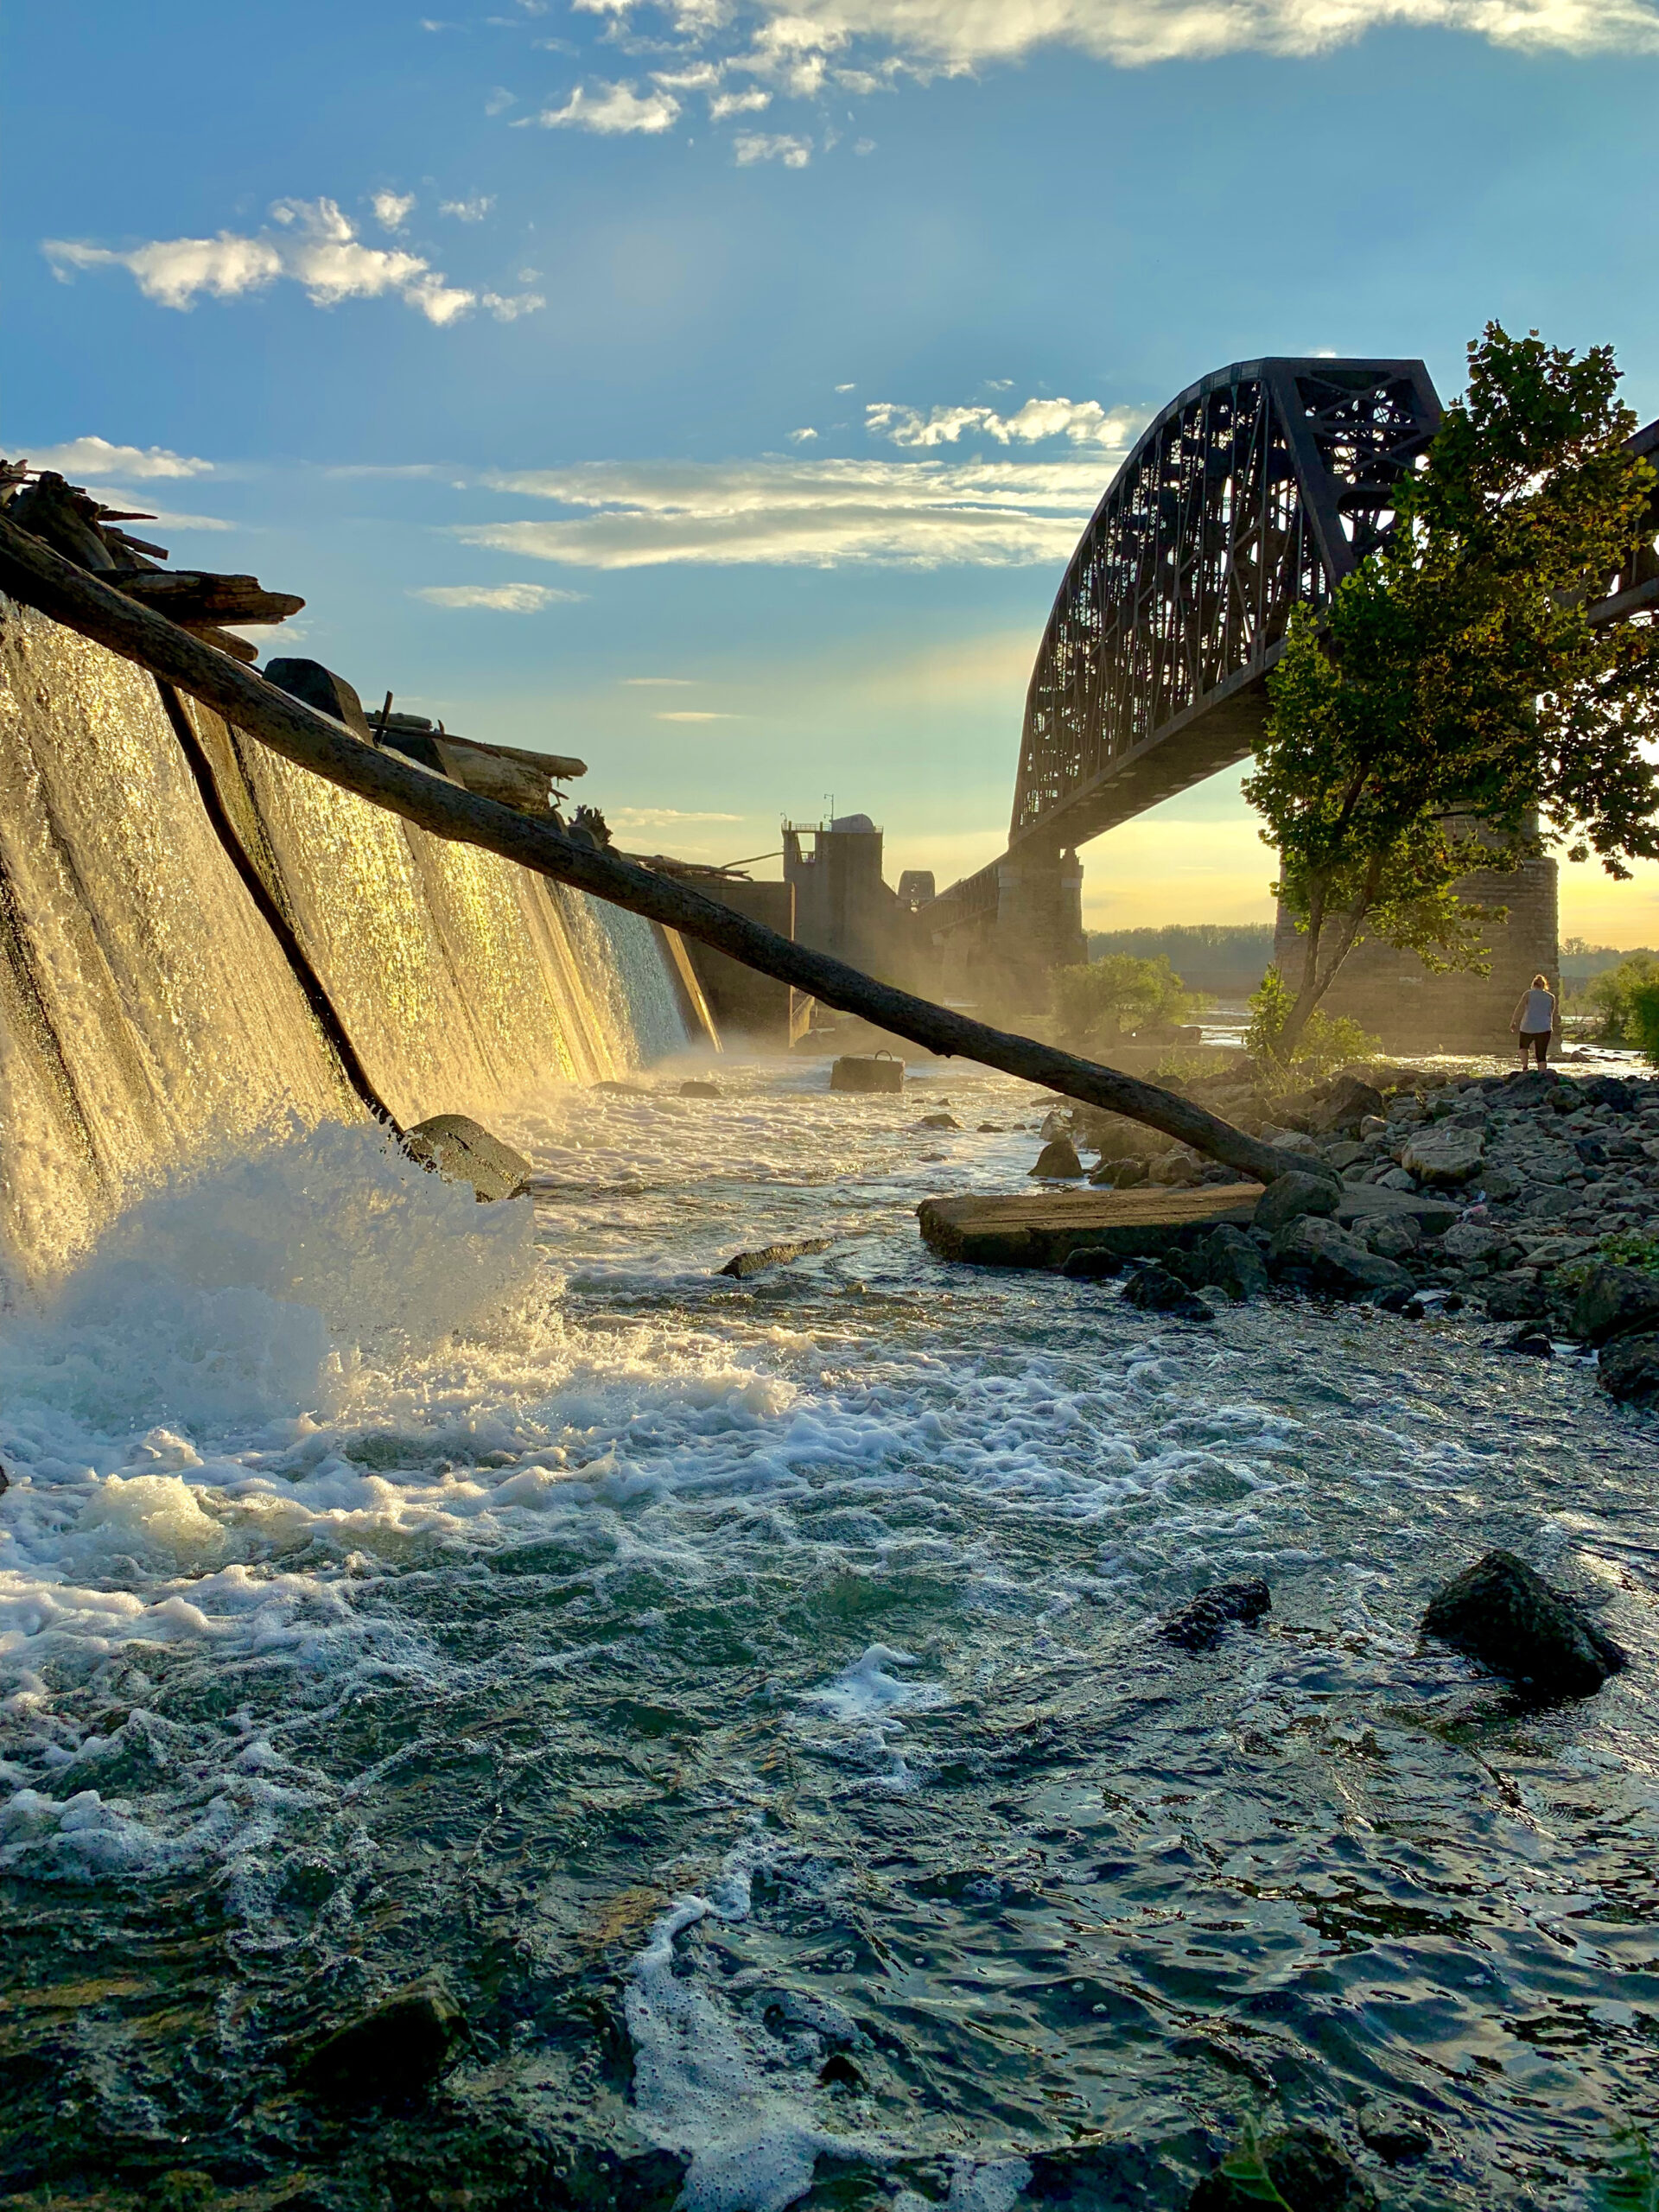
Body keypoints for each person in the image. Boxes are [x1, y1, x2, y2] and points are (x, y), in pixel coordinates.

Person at [1510, 973, 1556, 1070]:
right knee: (1541, 1054)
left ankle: (1525, 1067)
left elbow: (1519, 1009)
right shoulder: (1551, 997)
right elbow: (1550, 1013)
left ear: (1533, 984)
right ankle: (1542, 1074)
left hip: (1528, 1027)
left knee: (1523, 1047)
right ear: (1544, 985)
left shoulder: (1528, 994)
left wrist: (1513, 1021)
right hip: (1544, 1028)